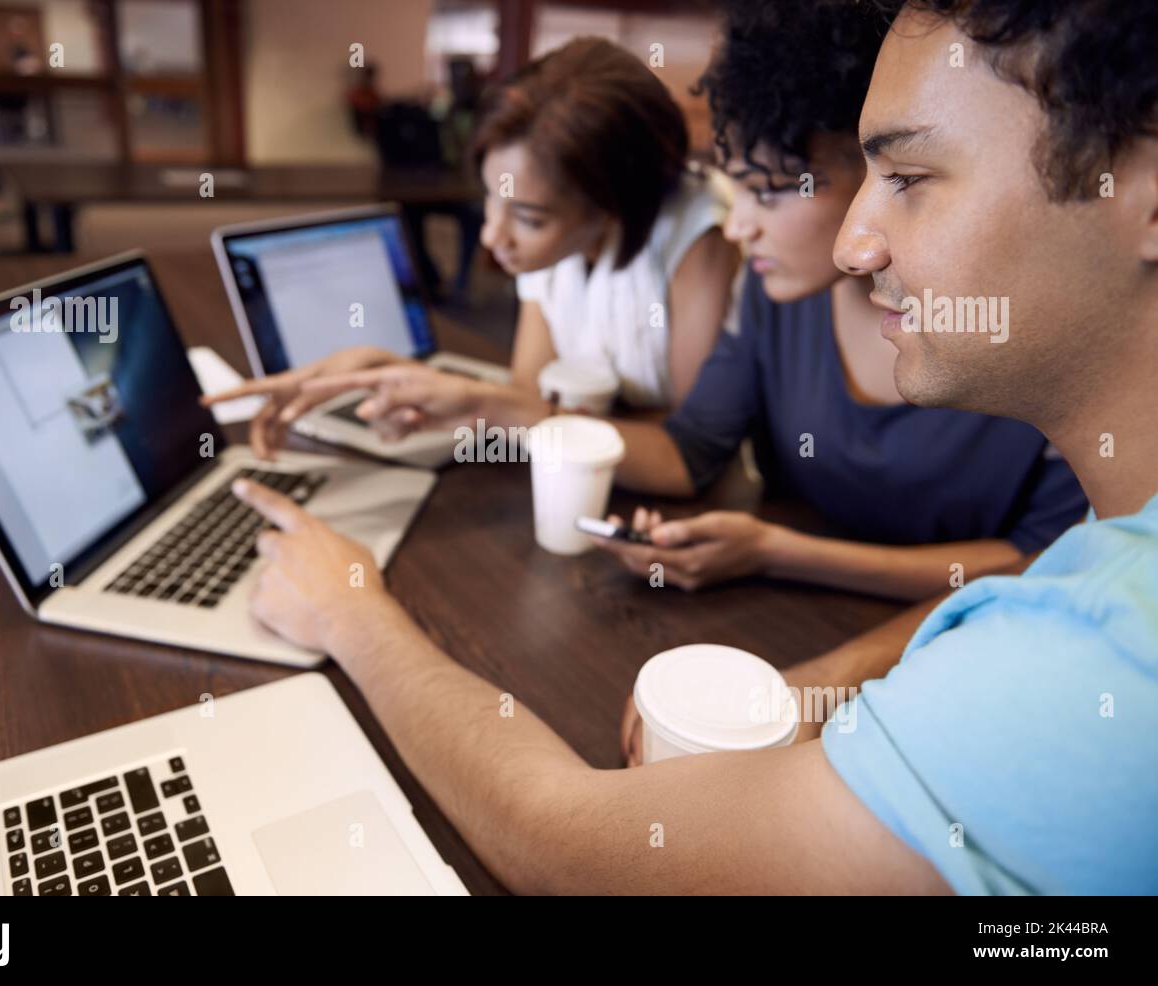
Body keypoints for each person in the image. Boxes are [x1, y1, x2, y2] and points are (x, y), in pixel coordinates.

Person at [226, 0, 1158, 894]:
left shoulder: (1099, 669)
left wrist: (350, 613)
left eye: (909, 180)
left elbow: (566, 843)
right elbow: (1027, 585)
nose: (851, 245)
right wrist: (829, 680)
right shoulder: (1094, 583)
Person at [257, 3, 1086, 602]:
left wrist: (779, 552)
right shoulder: (779, 298)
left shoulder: (1014, 332)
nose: (740, 228)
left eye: (770, 192)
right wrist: (475, 402)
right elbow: (691, 450)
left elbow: (1053, 560)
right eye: (741, 190)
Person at [205, 37, 739, 444]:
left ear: (613, 202)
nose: (492, 236)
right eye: (491, 198)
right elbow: (531, 398)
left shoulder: (699, 234)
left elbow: (690, 445)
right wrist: (392, 372)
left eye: (528, 219)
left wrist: (489, 406)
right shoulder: (550, 249)